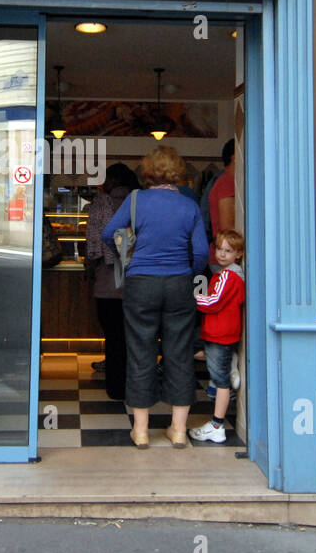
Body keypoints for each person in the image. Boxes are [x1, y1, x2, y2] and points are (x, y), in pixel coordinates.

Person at [103, 146, 208, 448]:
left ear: (147, 172)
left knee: (140, 352)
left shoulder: (136, 200)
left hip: (141, 283)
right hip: (178, 284)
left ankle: (142, 429)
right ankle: (178, 429)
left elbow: (110, 232)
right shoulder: (188, 205)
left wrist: (127, 257)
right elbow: (201, 251)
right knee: (179, 352)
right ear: (178, 172)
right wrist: (188, 272)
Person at [83, 162, 139, 399]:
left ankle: (116, 387)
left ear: (110, 181)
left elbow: (93, 242)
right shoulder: (139, 202)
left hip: (108, 281)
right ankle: (137, 387)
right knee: (135, 336)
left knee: (113, 335)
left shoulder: (100, 204)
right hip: (137, 278)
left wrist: (90, 266)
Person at [189, 229, 246, 444]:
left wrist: (194, 298)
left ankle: (217, 425)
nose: (222, 254)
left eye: (228, 251)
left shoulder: (229, 276)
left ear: (238, 254)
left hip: (220, 333)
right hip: (221, 333)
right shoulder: (224, 275)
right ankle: (230, 367)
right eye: (220, 249)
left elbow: (212, 302)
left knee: (220, 380)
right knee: (216, 370)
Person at [207, 138, 237, 243]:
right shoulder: (228, 182)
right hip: (226, 254)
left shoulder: (223, 180)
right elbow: (227, 229)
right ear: (235, 158)